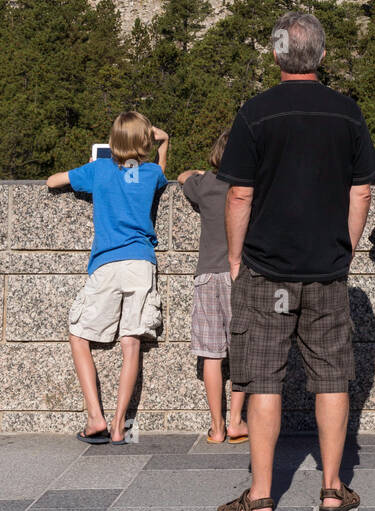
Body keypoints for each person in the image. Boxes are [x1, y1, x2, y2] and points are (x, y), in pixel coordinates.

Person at [216, 13, 375, 511]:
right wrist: (345, 248)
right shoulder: (347, 113)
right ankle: (332, 490)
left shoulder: (255, 113)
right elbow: (362, 191)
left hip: (266, 269)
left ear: (276, 55)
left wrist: (236, 258)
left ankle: (261, 498)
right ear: (322, 56)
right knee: (332, 377)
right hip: (327, 270)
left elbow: (239, 194)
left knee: (263, 379)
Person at [46, 113, 169, 445]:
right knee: (131, 343)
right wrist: (164, 142)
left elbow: (52, 182)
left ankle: (95, 417)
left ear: (112, 142)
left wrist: (88, 168)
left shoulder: (98, 170)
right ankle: (118, 425)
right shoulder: (150, 173)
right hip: (141, 263)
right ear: (145, 141)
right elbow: (160, 172)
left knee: (79, 334)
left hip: (107, 263)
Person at [177, 131, 248, 445]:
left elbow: (182, 177)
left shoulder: (204, 184)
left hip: (206, 275)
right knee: (242, 350)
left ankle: (216, 428)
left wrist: (199, 172)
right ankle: (236, 422)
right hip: (238, 274)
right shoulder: (250, 188)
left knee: (211, 354)